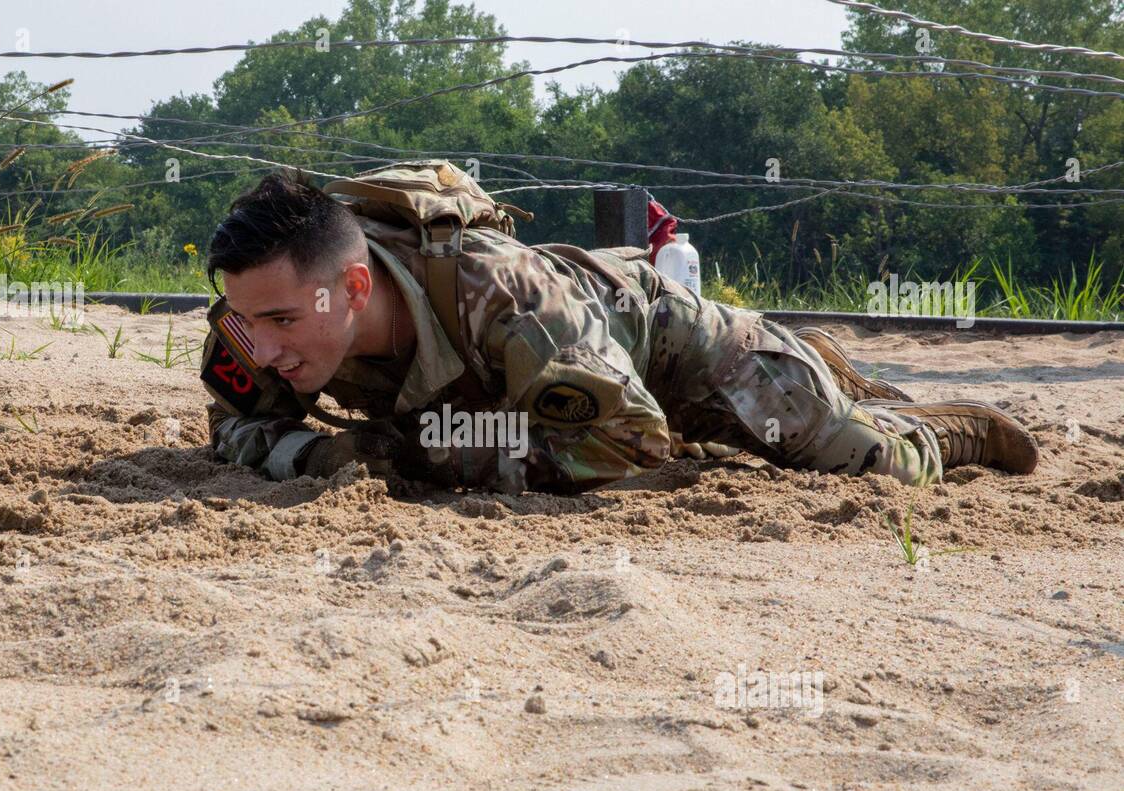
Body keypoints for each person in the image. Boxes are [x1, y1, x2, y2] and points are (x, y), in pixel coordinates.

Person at [198, 166, 1037, 494]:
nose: (263, 348)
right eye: (247, 322)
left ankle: (949, 426)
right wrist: (297, 454)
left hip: (665, 347)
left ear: (351, 286)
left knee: (876, 466)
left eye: (279, 322)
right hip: (547, 390)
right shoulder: (256, 315)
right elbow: (232, 417)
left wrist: (426, 451)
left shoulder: (510, 303)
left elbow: (632, 444)